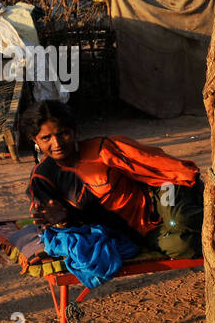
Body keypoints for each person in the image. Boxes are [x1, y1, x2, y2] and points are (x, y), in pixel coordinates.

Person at [20, 100, 204, 260]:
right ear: (34, 139)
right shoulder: (43, 179)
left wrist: (191, 177)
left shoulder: (102, 149)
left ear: (74, 131)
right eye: (46, 138)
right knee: (181, 245)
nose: (57, 143)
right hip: (138, 232)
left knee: (180, 219)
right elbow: (52, 230)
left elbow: (154, 162)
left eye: (62, 134)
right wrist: (64, 221)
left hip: (161, 195)